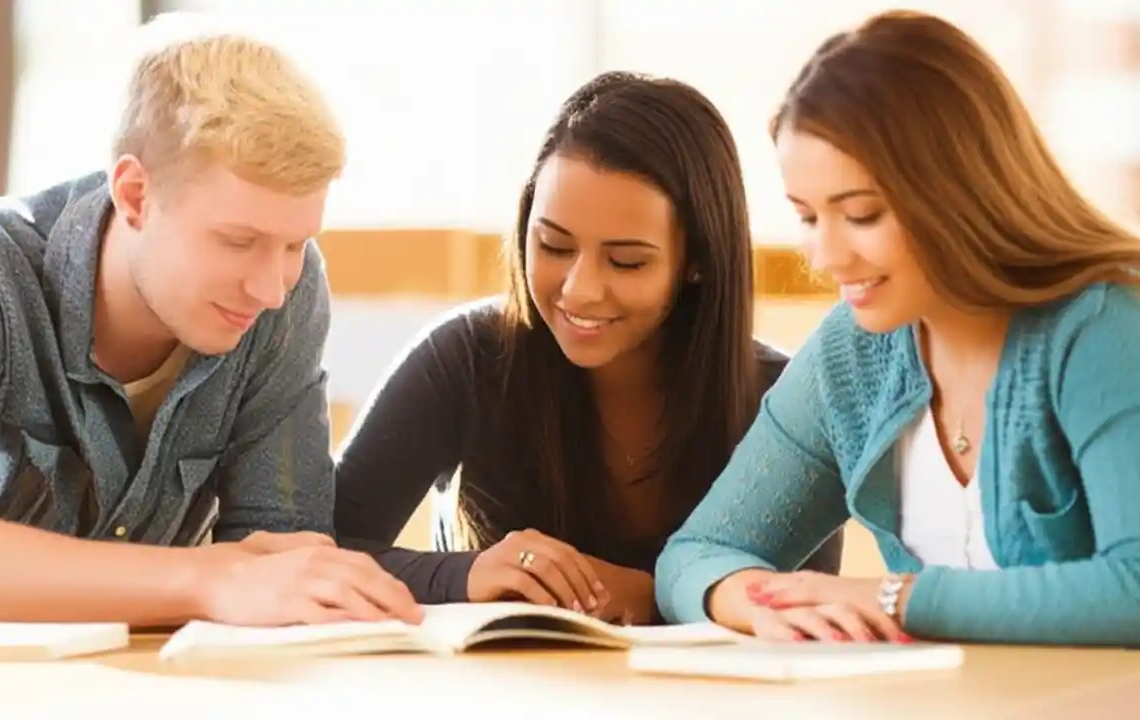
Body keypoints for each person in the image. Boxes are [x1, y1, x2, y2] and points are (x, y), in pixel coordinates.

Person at [655, 11, 1140, 650]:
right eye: (807, 217)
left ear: (959, 191)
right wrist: (765, 606)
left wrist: (891, 599)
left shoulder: (1109, 325)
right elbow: (697, 553)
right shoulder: (853, 354)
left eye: (862, 215)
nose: (826, 256)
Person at [334, 71, 842, 624]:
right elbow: (321, 551)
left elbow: (798, 606)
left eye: (627, 261)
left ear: (696, 261)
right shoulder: (467, 358)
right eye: (553, 245)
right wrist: (466, 575)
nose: (579, 290)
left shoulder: (782, 406)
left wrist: (657, 598)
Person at [0, 13, 419, 627]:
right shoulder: (3, 277)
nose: (270, 290)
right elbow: (234, 579)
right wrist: (200, 579)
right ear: (136, 195)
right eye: (237, 241)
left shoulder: (288, 295)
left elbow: (283, 555)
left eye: (295, 243)